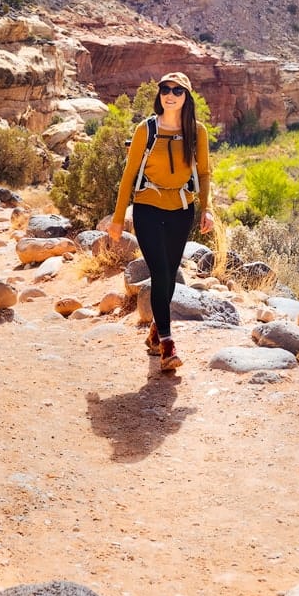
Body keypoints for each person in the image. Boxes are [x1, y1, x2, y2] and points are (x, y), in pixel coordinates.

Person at [108, 71, 214, 372]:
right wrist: (118, 219)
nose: (170, 95)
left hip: (181, 209)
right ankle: (168, 343)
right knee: (160, 272)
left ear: (186, 97)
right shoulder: (147, 129)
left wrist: (206, 209)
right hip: (147, 208)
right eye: (165, 89)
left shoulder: (198, 131)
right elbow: (129, 175)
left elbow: (204, 173)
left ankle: (156, 330)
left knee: (169, 274)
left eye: (177, 91)